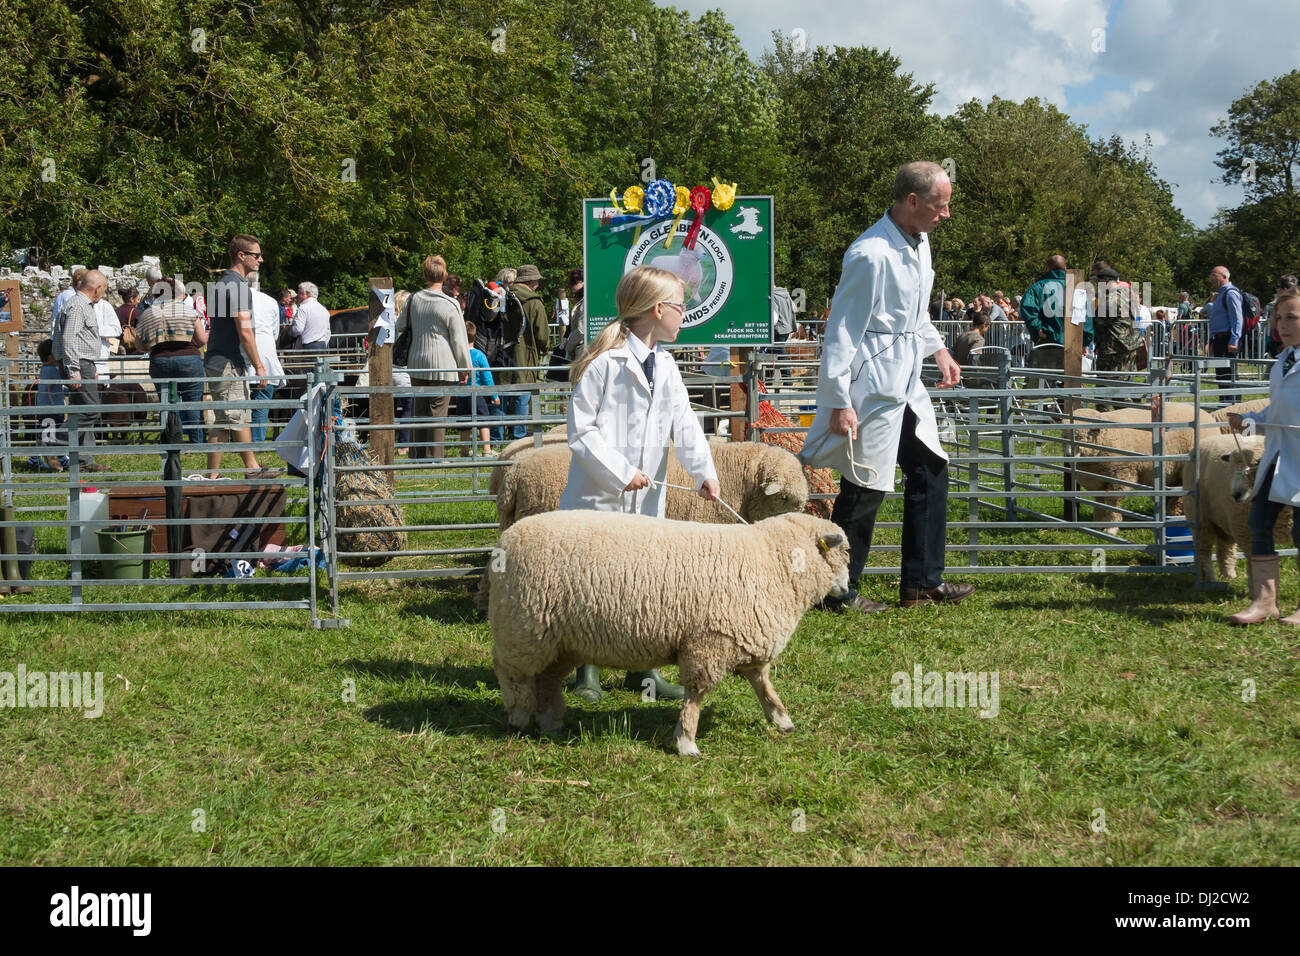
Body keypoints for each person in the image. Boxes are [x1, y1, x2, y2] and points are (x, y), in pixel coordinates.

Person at [800, 160, 973, 612]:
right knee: (864, 485)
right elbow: (841, 330)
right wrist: (839, 400)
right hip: (871, 382)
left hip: (907, 378)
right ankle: (836, 591)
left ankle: (921, 583)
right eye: (940, 205)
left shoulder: (921, 242)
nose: (946, 214)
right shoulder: (869, 253)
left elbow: (917, 314)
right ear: (912, 201)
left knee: (931, 468)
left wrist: (938, 349)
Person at [560, 265, 720, 702]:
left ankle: (641, 669)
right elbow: (581, 430)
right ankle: (585, 671)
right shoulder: (603, 364)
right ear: (657, 309)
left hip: (648, 496)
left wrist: (704, 471)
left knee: (640, 582)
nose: (684, 315)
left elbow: (684, 424)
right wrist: (620, 471)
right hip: (600, 494)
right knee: (594, 581)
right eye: (681, 307)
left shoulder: (666, 366)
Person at [1226, 287, 1300, 626]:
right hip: (1278, 455)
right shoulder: (1283, 361)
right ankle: (1264, 602)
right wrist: (1248, 425)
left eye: (1292, 318)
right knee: (1258, 523)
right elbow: (1277, 411)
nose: (1282, 325)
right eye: (1279, 318)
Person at [205, 234, 279, 479]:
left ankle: (221, 474)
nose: (261, 259)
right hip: (227, 362)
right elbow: (245, 331)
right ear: (241, 255)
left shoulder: (218, 285)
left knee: (228, 418)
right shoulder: (238, 287)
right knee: (232, 417)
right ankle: (250, 469)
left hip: (218, 359)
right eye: (256, 255)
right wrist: (259, 366)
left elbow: (215, 330)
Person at [395, 255, 470, 460]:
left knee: (419, 410)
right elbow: (459, 339)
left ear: (424, 274)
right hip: (443, 364)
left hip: (416, 362)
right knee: (438, 412)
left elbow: (400, 326)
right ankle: (435, 456)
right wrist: (465, 367)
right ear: (445, 275)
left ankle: (417, 455)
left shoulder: (413, 299)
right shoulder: (450, 303)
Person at [136, 277, 208, 444]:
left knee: (165, 403)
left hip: (159, 360)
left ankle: (170, 440)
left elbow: (139, 345)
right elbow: (202, 340)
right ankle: (197, 442)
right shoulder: (189, 311)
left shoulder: (147, 314)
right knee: (193, 402)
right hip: (189, 359)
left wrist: (154, 346)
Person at [51, 268, 108, 471]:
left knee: (80, 412)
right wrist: (74, 370)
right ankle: (52, 442)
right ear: (97, 287)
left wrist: (89, 366)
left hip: (84, 364)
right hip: (78, 364)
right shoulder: (77, 306)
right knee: (90, 410)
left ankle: (84, 460)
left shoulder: (81, 304)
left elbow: (79, 339)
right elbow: (69, 340)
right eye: (104, 289)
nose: (103, 293)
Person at [499, 264, 551, 440]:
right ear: (530, 281)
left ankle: (497, 436)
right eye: (536, 280)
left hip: (502, 354)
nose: (537, 284)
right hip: (525, 355)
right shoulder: (533, 302)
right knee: (523, 392)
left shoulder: (502, 296)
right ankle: (518, 435)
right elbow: (542, 333)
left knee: (503, 392)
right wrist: (545, 347)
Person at [1019, 255, 1094, 375]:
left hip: (1048, 341)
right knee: (1072, 382)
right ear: (1065, 268)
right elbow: (1086, 318)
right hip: (1074, 342)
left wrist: (1038, 328)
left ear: (1047, 268)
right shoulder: (1077, 289)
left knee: (1043, 381)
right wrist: (1085, 341)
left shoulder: (1038, 287)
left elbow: (1028, 309)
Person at [248, 274, 287, 443]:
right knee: (261, 401)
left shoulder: (233, 300)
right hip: (266, 357)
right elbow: (275, 333)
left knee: (237, 403)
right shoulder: (271, 301)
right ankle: (257, 440)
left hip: (242, 357)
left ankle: (240, 441)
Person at [456, 320, 499, 456]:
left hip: (461, 394)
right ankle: (486, 449)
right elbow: (487, 377)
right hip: (477, 394)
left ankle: (464, 450)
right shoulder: (480, 355)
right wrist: (494, 396)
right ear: (475, 336)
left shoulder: (457, 355)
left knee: (464, 424)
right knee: (483, 421)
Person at [1207, 265, 1243, 397]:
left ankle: (1232, 403)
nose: (1211, 279)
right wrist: (1212, 340)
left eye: (1214, 275)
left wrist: (1234, 340)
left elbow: (1237, 319)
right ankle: (1224, 403)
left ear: (1224, 277)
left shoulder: (1231, 293)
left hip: (1227, 340)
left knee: (1229, 375)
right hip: (1220, 339)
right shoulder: (1221, 294)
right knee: (1222, 375)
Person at [33, 339, 68, 471]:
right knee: (50, 436)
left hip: (48, 407)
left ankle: (60, 458)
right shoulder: (52, 370)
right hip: (51, 409)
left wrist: (65, 390)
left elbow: (54, 387)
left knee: (50, 435)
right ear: (50, 357)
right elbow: (54, 385)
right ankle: (34, 459)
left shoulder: (46, 369)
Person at [391, 290, 413, 454]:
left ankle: (392, 441)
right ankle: (403, 445)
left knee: (391, 407)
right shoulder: (405, 323)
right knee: (407, 407)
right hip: (403, 369)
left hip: (390, 369)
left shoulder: (389, 321)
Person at [291, 281, 331, 351]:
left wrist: (290, 331)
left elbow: (298, 329)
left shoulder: (303, 308)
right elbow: (328, 332)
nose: (298, 296)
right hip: (322, 346)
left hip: (309, 346)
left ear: (307, 294)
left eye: (300, 293)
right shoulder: (324, 309)